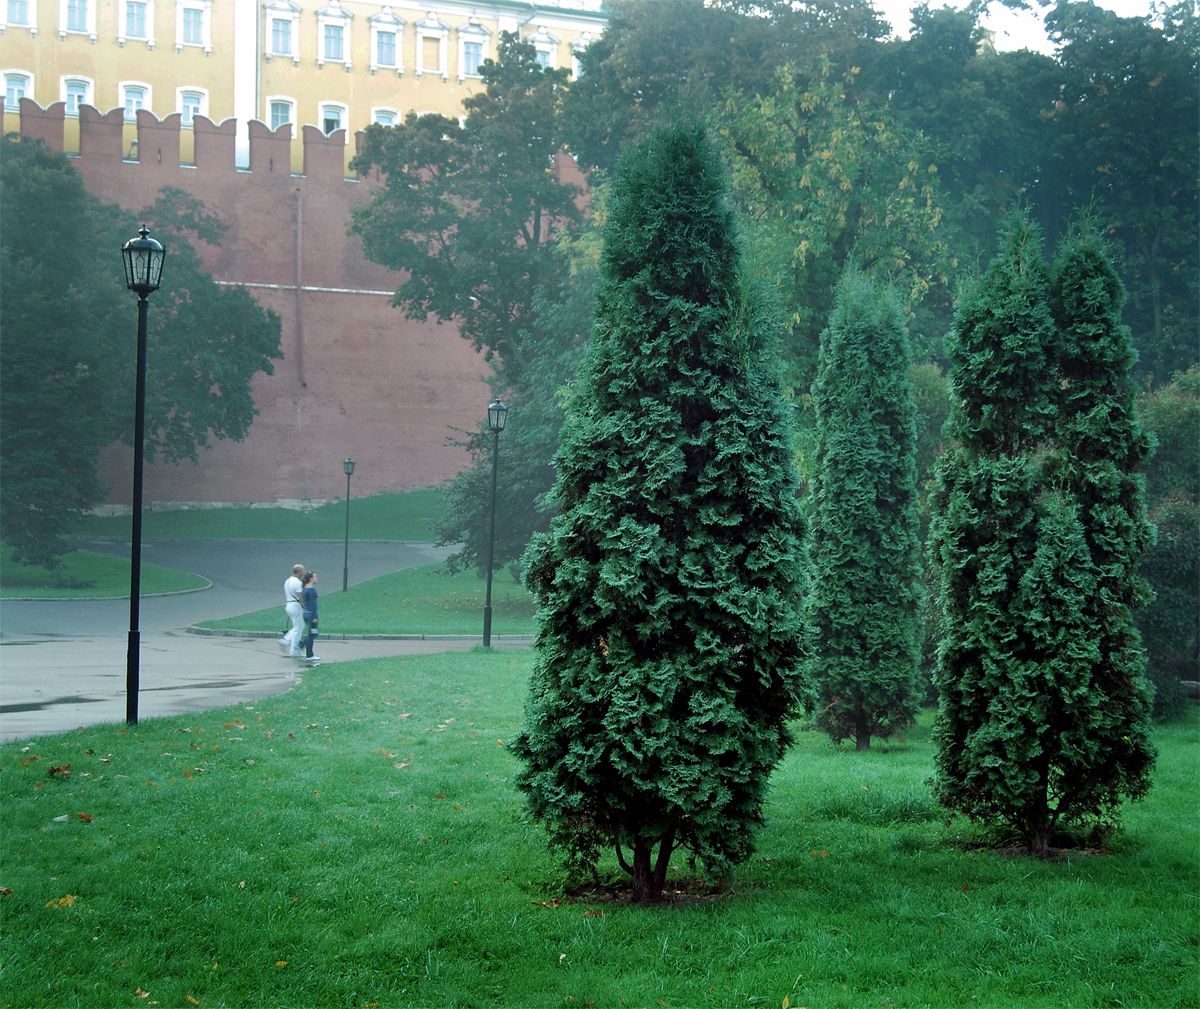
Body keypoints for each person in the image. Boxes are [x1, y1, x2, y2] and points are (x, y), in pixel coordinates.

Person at [280, 563, 305, 657]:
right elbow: (300, 596)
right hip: (295, 605)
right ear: (299, 572)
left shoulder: (288, 581)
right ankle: (293, 649)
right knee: (298, 627)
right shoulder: (297, 583)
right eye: (302, 571)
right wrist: (303, 605)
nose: (303, 573)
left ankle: (286, 641)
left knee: (297, 626)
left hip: (289, 604)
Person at [300, 570, 320, 665]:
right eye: (315, 577)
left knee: (312, 633)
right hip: (311, 614)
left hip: (306, 613)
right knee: (312, 633)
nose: (316, 579)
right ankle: (309, 654)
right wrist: (314, 617)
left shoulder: (305, 589)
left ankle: (302, 646)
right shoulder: (311, 590)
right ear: (311, 578)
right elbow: (313, 605)